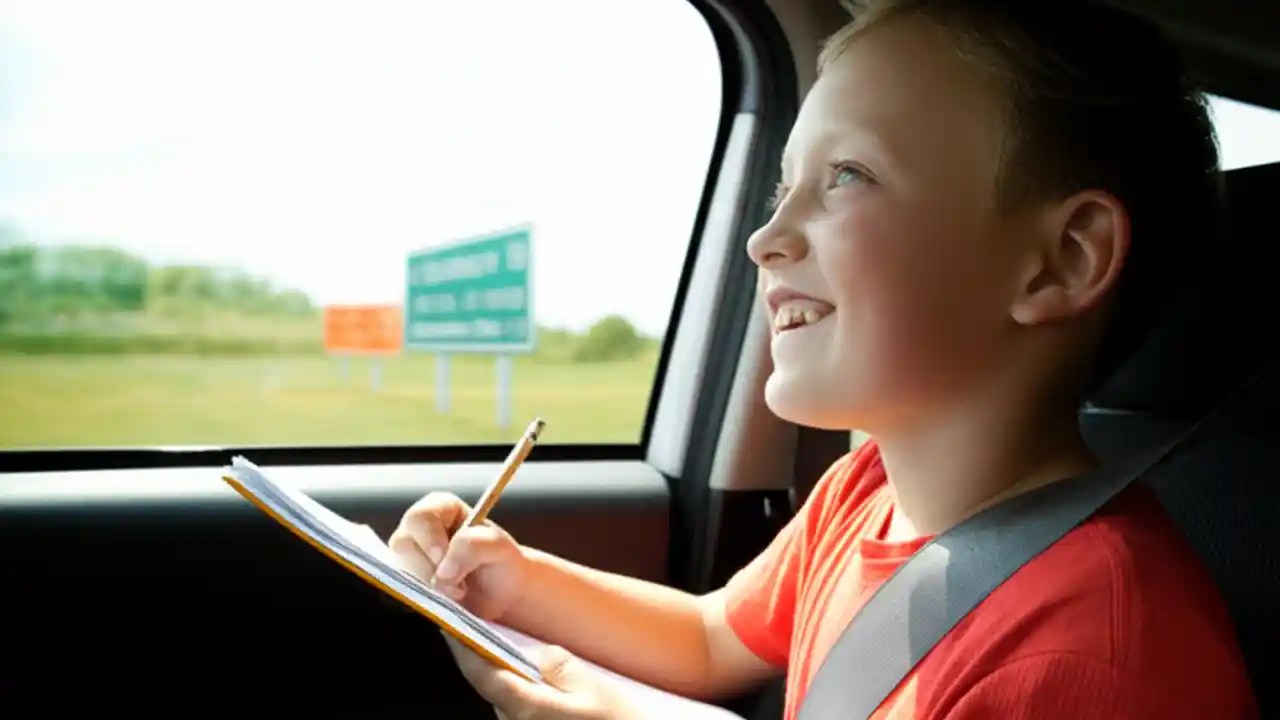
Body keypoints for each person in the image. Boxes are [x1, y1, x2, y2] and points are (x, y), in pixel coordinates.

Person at [388, 1, 1259, 717]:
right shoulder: (865, 493)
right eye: (782, 187)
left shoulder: (1095, 658)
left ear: (1062, 259)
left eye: (847, 175)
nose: (766, 238)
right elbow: (711, 637)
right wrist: (514, 582)